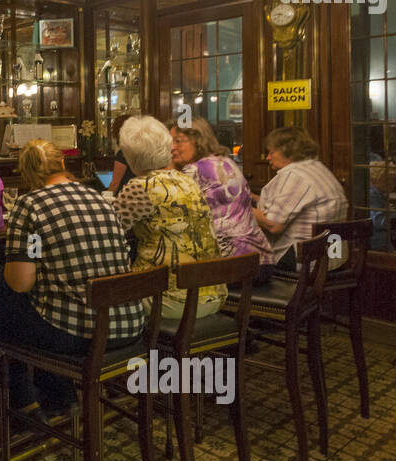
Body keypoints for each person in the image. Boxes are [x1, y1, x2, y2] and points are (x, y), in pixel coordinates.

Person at [0, 139, 144, 414]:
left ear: (26, 174)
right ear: (63, 164)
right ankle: (58, 395)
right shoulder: (100, 199)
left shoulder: (30, 205)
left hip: (83, 337)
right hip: (131, 326)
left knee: (3, 298)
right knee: (49, 303)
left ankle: (23, 407)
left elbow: (21, 282)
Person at [113, 115, 225, 318]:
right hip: (211, 294)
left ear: (129, 157)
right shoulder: (187, 180)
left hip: (169, 301)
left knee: (103, 296)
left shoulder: (140, 186)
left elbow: (110, 232)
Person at [170, 117, 274, 284]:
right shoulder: (226, 162)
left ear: (198, 141)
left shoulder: (193, 170)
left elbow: (170, 215)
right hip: (261, 262)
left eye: (179, 142)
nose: (172, 147)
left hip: (231, 268)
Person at [254, 126, 349, 271]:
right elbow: (292, 204)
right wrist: (253, 198)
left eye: (271, 152)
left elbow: (273, 225)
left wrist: (239, 206)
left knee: (238, 266)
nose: (267, 157)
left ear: (288, 151)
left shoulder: (294, 176)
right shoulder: (318, 169)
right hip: (334, 257)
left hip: (307, 261)